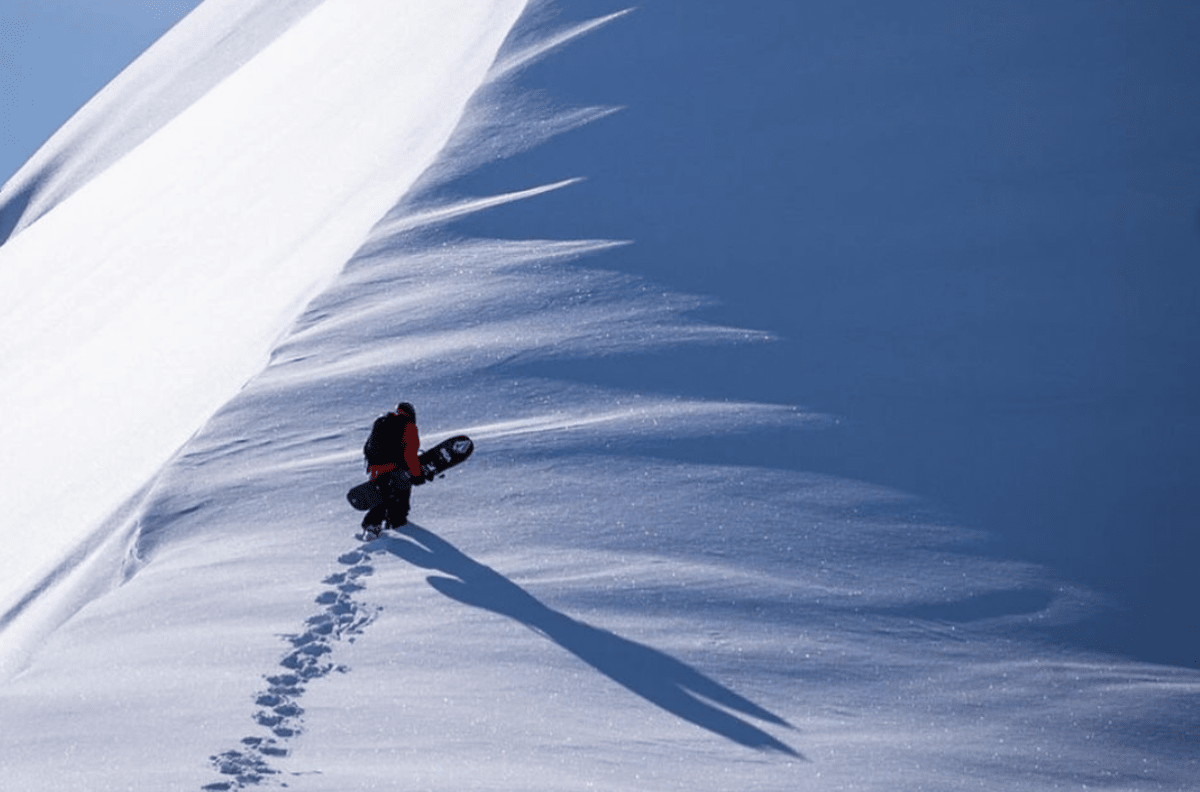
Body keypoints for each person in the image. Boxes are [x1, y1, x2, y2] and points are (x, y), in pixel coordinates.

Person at [361, 401, 425, 533]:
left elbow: (368, 447)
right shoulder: (408, 425)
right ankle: (397, 528)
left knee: (382, 498)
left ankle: (372, 527)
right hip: (397, 471)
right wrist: (417, 475)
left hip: (376, 470)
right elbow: (410, 455)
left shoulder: (381, 422)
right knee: (399, 503)